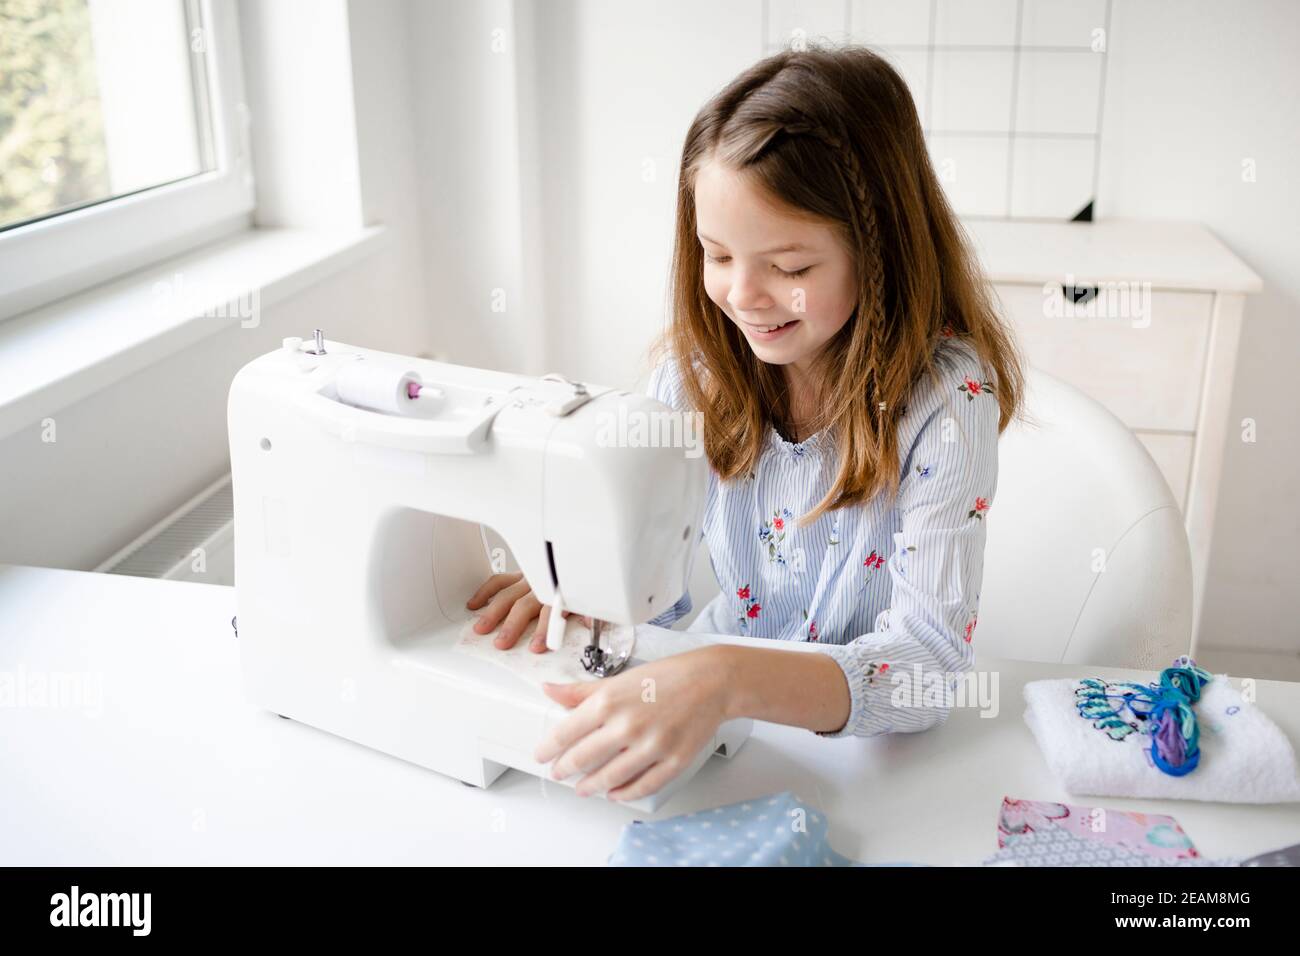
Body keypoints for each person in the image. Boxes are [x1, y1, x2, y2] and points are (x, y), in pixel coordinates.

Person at [466, 42, 1026, 802]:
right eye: (716, 254)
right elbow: (651, 577)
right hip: (725, 729)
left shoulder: (947, 401)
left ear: (882, 250)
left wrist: (726, 676)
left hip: (867, 766)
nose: (744, 294)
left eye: (791, 268)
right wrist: (579, 581)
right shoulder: (696, 377)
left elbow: (925, 672)